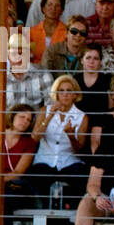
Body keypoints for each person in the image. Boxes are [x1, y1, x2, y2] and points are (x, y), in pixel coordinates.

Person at [28, 75, 89, 206]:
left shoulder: (82, 117)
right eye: (61, 91)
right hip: (45, 161)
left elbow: (80, 150)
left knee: (79, 176)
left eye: (69, 91)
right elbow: (34, 138)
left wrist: (71, 136)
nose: (65, 94)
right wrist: (50, 115)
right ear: (56, 94)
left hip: (69, 162)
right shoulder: (45, 110)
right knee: (36, 176)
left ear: (75, 95)